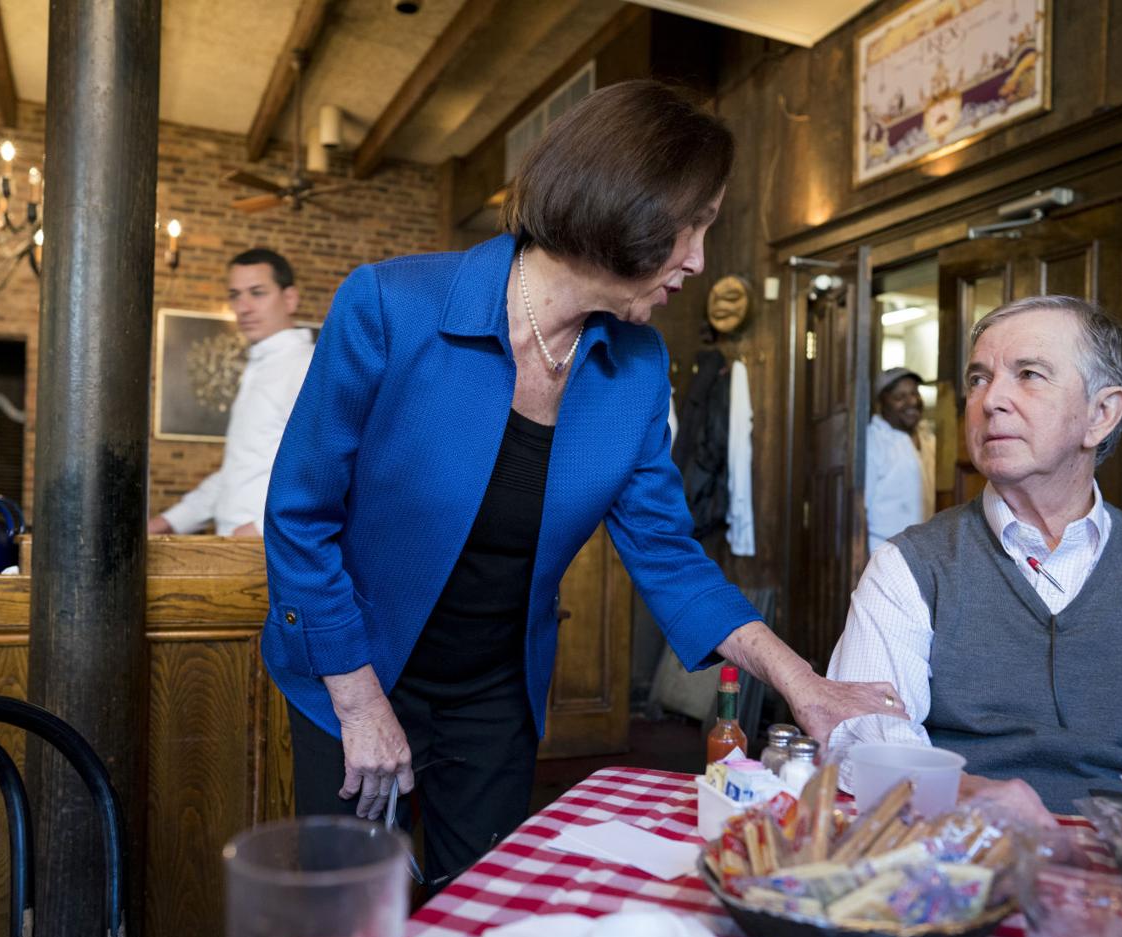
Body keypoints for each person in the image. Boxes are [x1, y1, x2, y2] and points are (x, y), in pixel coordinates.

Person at [259, 80, 904, 887]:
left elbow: (668, 554)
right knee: (350, 915)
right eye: (693, 224)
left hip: (494, 694)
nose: (700, 260)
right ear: (621, 208)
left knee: (481, 909)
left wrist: (804, 684)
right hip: (354, 669)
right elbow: (299, 517)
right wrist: (358, 704)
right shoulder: (391, 306)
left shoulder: (635, 367)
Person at [827, 295, 1122, 822]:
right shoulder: (910, 566)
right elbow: (863, 739)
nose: (990, 399)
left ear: (1101, 414)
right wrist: (968, 798)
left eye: (1028, 374)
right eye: (978, 379)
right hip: (956, 855)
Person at [148, 249, 314, 537]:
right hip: (235, 547)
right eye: (235, 295)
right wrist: (165, 523)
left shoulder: (305, 366)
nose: (243, 307)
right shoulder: (260, 366)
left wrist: (262, 529)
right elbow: (238, 472)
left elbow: (329, 467)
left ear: (290, 299)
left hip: (271, 549)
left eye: (257, 293)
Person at [865, 367, 935, 553]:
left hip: (923, 551)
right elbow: (859, 509)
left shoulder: (928, 438)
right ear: (881, 403)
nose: (912, 401)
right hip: (883, 551)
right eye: (899, 397)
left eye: (914, 393)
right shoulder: (873, 441)